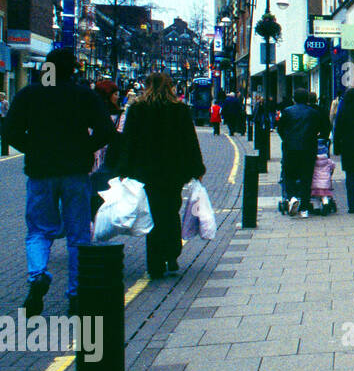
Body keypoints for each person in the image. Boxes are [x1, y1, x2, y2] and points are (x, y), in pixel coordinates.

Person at [7, 48, 113, 316]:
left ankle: (38, 274)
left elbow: (9, 131)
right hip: (75, 172)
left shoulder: (29, 94)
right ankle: (76, 295)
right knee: (78, 234)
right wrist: (85, 148)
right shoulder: (83, 95)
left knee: (39, 229)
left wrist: (31, 147)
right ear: (73, 70)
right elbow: (106, 130)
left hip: (40, 171)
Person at [121, 73, 206, 279]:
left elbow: (128, 142)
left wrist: (124, 170)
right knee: (170, 211)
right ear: (169, 87)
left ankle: (155, 263)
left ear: (147, 86)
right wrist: (196, 169)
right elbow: (189, 140)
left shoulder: (137, 109)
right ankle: (172, 253)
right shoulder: (179, 109)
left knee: (153, 214)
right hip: (173, 171)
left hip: (146, 172)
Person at [277, 88, 326, 217]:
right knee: (306, 178)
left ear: (294, 99)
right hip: (308, 149)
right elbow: (321, 129)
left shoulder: (287, 112)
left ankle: (292, 197)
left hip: (290, 149)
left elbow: (280, 129)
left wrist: (287, 140)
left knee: (289, 174)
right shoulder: (313, 113)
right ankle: (304, 208)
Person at [89, 79, 126, 217]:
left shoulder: (120, 114)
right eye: (115, 94)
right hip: (96, 156)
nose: (117, 97)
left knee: (101, 191)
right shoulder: (114, 115)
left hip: (107, 157)